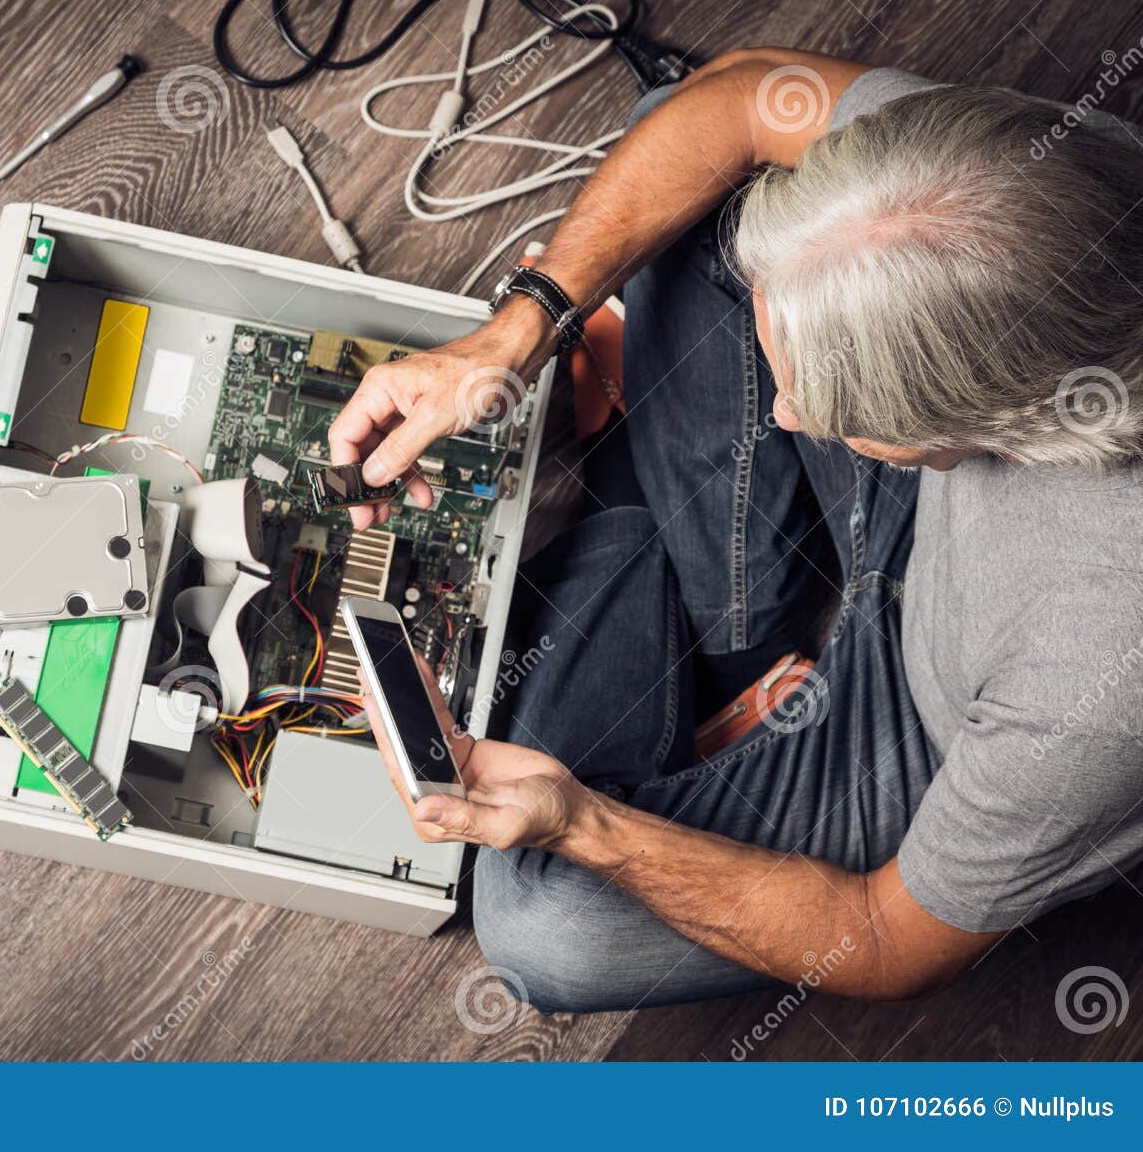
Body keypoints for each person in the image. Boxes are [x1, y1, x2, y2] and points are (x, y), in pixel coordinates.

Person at [333, 49, 1143, 1010]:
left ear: (996, 429)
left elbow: (883, 940)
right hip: (923, 494)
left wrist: (580, 824)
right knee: (695, 164)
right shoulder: (1044, 175)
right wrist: (522, 327)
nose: (785, 413)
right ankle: (738, 616)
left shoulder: (1098, 684)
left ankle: (649, 530)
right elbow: (737, 99)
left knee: (543, 923)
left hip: (936, 721)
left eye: (823, 404)